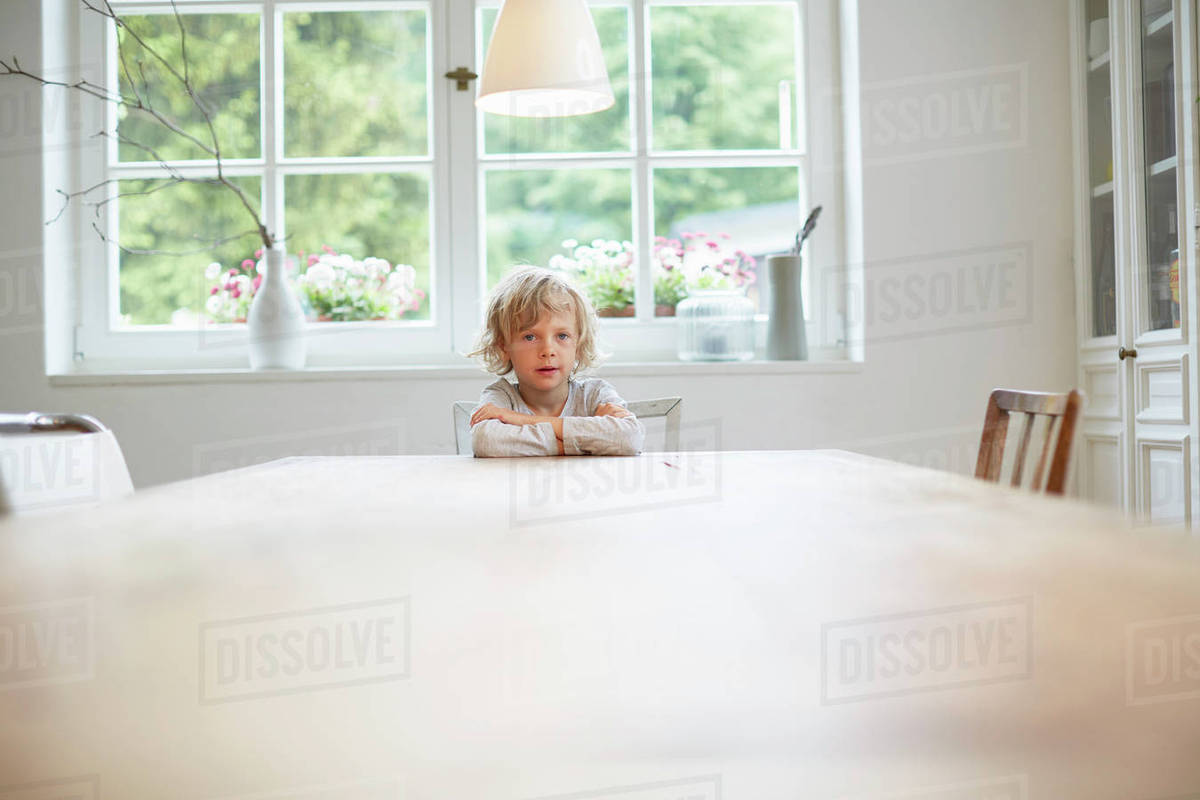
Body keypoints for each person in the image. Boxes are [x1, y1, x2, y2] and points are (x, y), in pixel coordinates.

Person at [466, 266, 645, 457]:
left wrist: (517, 420)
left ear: (578, 343)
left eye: (562, 335)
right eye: (530, 337)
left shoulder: (595, 394)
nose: (548, 351)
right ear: (504, 347)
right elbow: (486, 440)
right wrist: (583, 443)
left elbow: (629, 437)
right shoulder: (501, 396)